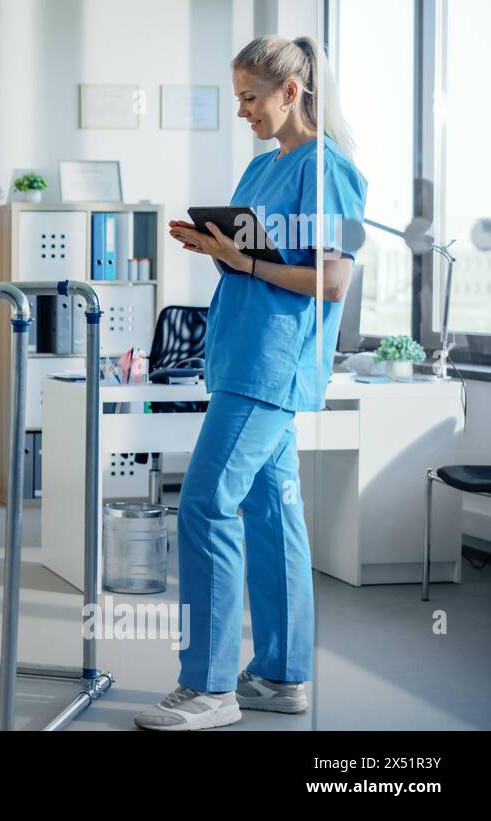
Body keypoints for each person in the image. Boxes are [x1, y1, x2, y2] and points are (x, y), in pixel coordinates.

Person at [135, 34, 367, 730]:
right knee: (273, 512)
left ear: (291, 92)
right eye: (238, 97)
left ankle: (208, 687)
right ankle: (279, 674)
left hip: (274, 365)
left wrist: (246, 261)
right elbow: (251, 262)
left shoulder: (330, 170)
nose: (241, 111)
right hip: (241, 355)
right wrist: (219, 252)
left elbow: (331, 279)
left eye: (250, 98)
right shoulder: (263, 168)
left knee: (205, 503)